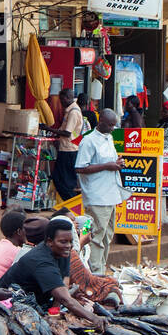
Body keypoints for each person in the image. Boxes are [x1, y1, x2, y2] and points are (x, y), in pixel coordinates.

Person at [0, 217, 105, 326]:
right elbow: (65, 299)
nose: (68, 245)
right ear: (49, 241)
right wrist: (94, 318)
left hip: (37, 303)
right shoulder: (41, 261)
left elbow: (63, 283)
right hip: (6, 307)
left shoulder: (63, 252)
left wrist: (54, 314)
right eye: (63, 242)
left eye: (70, 241)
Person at [74, 108, 129, 275]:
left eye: (114, 125)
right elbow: (80, 167)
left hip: (111, 194)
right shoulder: (88, 141)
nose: (113, 128)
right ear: (101, 122)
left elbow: (109, 162)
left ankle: (101, 269)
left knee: (106, 236)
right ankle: (94, 272)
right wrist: (107, 166)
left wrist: (117, 163)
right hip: (97, 196)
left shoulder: (109, 138)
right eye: (110, 125)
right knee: (94, 235)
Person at [51, 87, 84, 200]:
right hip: (65, 148)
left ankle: (72, 202)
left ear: (68, 98)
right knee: (58, 178)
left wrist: (49, 129)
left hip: (69, 150)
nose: (61, 103)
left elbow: (67, 132)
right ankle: (70, 201)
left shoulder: (73, 112)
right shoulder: (69, 111)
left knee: (66, 181)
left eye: (62, 100)